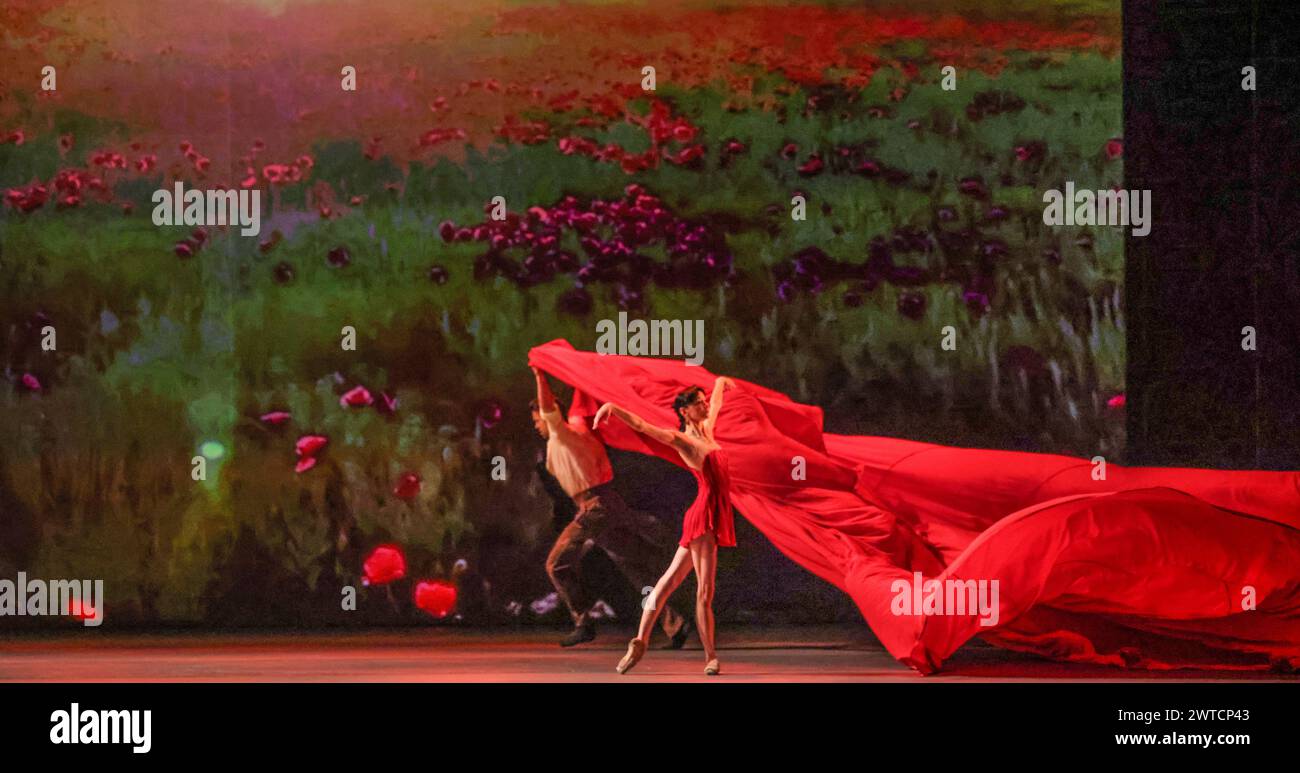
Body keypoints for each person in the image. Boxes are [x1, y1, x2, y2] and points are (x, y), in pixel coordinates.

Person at [530, 366, 689, 648]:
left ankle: (583, 622)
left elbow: (549, 408)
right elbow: (577, 405)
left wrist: (540, 376)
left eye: (538, 419)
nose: (537, 424)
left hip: (596, 506)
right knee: (635, 567)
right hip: (604, 505)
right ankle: (674, 623)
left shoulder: (563, 434)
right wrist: (581, 379)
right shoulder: (578, 431)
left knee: (556, 563)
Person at [593, 376, 737, 676]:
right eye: (698, 403)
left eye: (703, 400)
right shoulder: (682, 439)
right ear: (685, 411)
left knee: (669, 581)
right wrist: (613, 408)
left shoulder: (708, 431)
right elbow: (645, 427)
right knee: (704, 591)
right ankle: (710, 656)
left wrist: (720, 383)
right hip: (705, 516)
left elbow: (718, 404)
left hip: (706, 513)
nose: (705, 404)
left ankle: (640, 640)